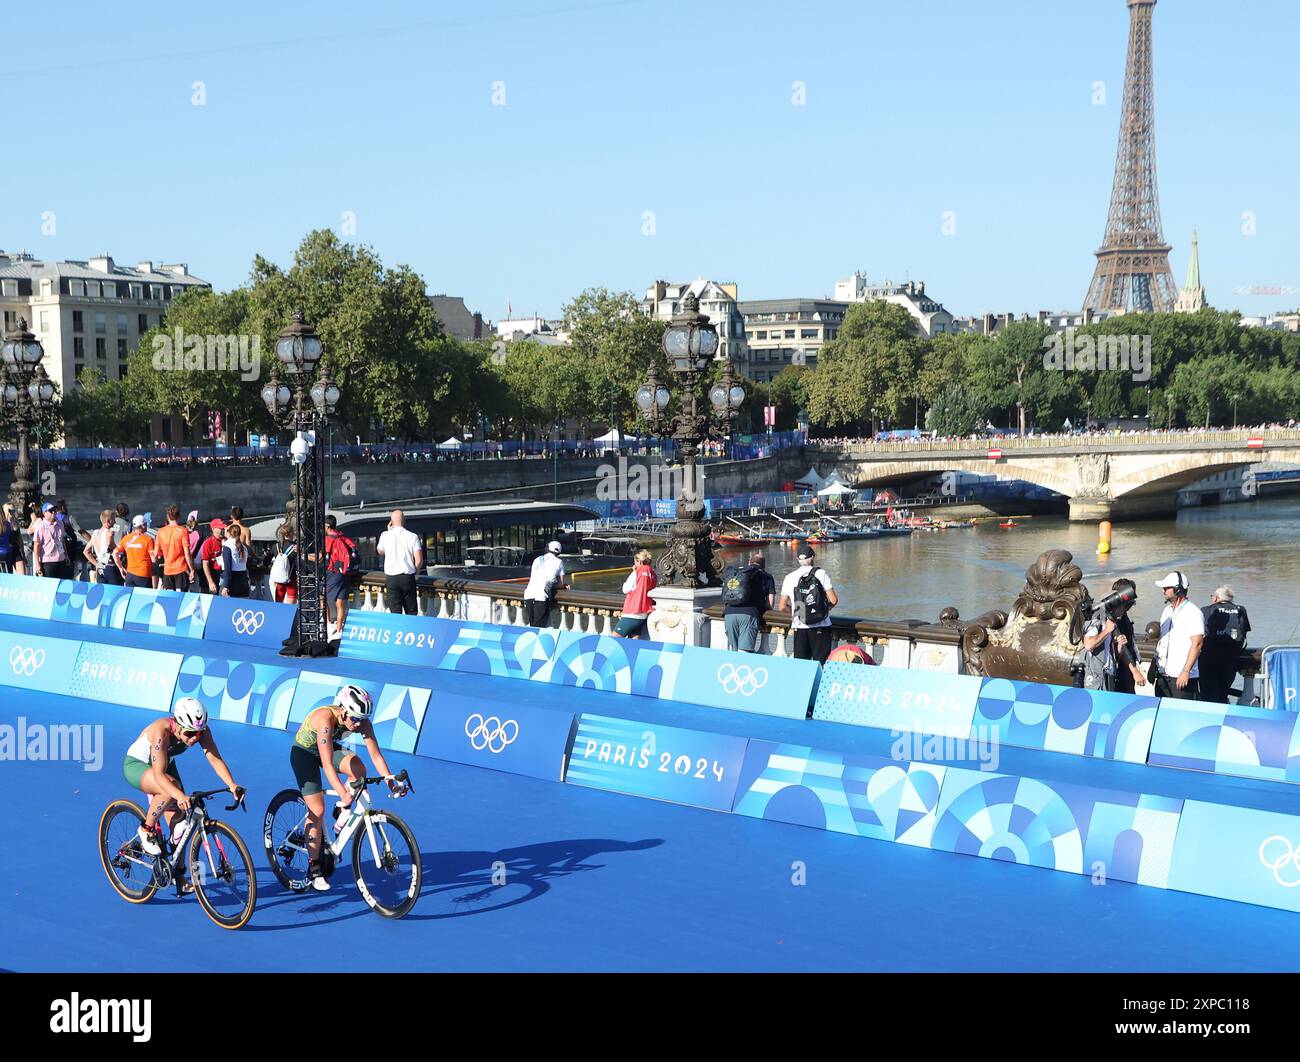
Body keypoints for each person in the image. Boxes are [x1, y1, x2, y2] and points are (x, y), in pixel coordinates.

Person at [289, 685, 407, 891]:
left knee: (360, 770)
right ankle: (314, 867)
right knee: (317, 810)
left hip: (327, 747)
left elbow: (376, 756)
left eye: (362, 719)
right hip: (304, 753)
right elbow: (327, 765)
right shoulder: (326, 719)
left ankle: (341, 811)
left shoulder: (361, 721)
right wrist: (344, 794)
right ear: (342, 710)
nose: (358, 724)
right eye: (354, 719)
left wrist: (391, 781)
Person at [122, 697, 242, 865]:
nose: (195, 738)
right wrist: (179, 796)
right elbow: (159, 775)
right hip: (138, 765)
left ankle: (178, 875)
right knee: (170, 790)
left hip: (165, 764)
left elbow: (215, 759)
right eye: (190, 733)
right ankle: (146, 829)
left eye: (199, 733)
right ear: (177, 724)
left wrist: (231, 784)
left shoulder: (200, 731)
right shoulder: (161, 731)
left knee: (182, 825)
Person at [1078, 578, 1148, 693]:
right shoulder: (1098, 619)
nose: (1125, 609)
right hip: (1098, 679)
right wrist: (1107, 631)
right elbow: (1089, 644)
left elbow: (1111, 652)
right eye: (1125, 604)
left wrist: (1119, 647)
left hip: (1109, 676)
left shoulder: (1113, 620)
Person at [778, 546, 838, 663]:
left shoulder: (789, 577)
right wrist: (822, 611)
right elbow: (834, 600)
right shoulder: (821, 573)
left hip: (799, 625)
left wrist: (798, 612)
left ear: (797, 559)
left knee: (802, 665)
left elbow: (782, 606)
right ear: (813, 557)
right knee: (821, 664)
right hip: (821, 625)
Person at [1152, 571, 1204, 700]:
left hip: (1181, 678)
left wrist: (1186, 671)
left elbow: (1197, 644)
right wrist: (1154, 666)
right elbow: (1162, 642)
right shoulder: (1167, 610)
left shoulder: (1193, 612)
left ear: (1178, 589)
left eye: (1166, 588)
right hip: (1163, 677)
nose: (1163, 591)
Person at [1200, 586, 1251, 704]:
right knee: (1222, 694)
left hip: (1208, 659)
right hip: (1230, 660)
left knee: (1208, 697)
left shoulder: (1206, 610)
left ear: (1215, 598)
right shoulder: (1241, 610)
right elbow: (1244, 632)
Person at [723, 550, 777, 653]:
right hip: (749, 615)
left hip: (729, 613)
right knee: (744, 652)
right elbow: (770, 603)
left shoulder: (737, 573)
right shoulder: (767, 577)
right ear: (763, 565)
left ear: (749, 562)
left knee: (733, 651)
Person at [376, 509, 422, 615]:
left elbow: (380, 551)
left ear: (391, 521)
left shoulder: (385, 535)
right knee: (411, 612)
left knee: (395, 613)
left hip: (391, 579)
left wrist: (388, 531)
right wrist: (417, 573)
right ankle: (410, 630)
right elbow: (419, 560)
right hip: (407, 578)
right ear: (404, 520)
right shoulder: (413, 536)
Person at [324, 515, 357, 633]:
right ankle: (339, 629)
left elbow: (321, 558)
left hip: (333, 573)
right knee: (340, 602)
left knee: (323, 598)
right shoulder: (343, 537)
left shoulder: (328, 539)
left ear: (327, 526)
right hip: (345, 573)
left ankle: (327, 626)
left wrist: (304, 556)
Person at [614, 549, 657, 638]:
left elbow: (625, 589)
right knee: (634, 640)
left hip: (632, 611)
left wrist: (634, 571)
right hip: (644, 612)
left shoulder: (637, 572)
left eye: (635, 561)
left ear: (639, 561)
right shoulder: (653, 574)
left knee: (615, 637)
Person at [524, 540, 567, 628]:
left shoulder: (537, 559)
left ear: (548, 548)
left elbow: (533, 578)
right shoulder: (559, 562)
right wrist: (564, 586)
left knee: (532, 625)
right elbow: (561, 584)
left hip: (528, 594)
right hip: (542, 596)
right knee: (539, 627)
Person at [155, 504, 196, 591]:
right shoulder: (183, 530)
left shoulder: (160, 531)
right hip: (180, 569)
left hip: (167, 570)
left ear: (167, 516)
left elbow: (156, 553)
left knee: (170, 600)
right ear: (179, 516)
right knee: (181, 599)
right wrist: (192, 569)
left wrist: (167, 552)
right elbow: (187, 553)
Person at [31, 502, 72, 580]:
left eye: (54, 510)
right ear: (44, 513)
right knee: (49, 586)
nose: (54, 512)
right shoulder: (40, 526)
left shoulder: (60, 523)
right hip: (48, 562)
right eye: (51, 511)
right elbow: (36, 546)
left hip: (61, 559)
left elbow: (62, 540)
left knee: (62, 586)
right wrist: (37, 564)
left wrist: (66, 555)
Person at [84, 509, 123, 586]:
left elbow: (86, 551)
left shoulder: (95, 533)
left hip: (100, 567)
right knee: (115, 593)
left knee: (103, 593)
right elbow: (109, 544)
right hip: (111, 567)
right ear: (108, 521)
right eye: (114, 520)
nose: (115, 522)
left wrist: (96, 564)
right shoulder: (109, 532)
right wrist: (120, 549)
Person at [115, 515, 156, 588]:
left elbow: (115, 553)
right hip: (144, 575)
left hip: (130, 575)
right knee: (145, 598)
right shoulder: (148, 539)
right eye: (146, 524)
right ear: (143, 525)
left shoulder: (126, 538)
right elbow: (154, 559)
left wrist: (120, 568)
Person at [219, 523, 251, 598]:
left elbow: (227, 567)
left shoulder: (227, 545)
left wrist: (226, 586)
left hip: (232, 581)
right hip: (243, 580)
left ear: (229, 533)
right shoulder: (244, 547)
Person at [199, 518, 226, 593]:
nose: (223, 529)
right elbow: (205, 564)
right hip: (213, 573)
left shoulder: (226, 540)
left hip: (224, 573)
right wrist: (210, 582)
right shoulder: (208, 543)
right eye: (220, 528)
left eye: (223, 527)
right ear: (214, 529)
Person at [0, 503, 23, 575]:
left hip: (12, 552)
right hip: (6, 554)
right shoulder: (5, 524)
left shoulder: (13, 523)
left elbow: (19, 539)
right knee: (7, 577)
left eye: (12, 510)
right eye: (9, 510)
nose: (11, 512)